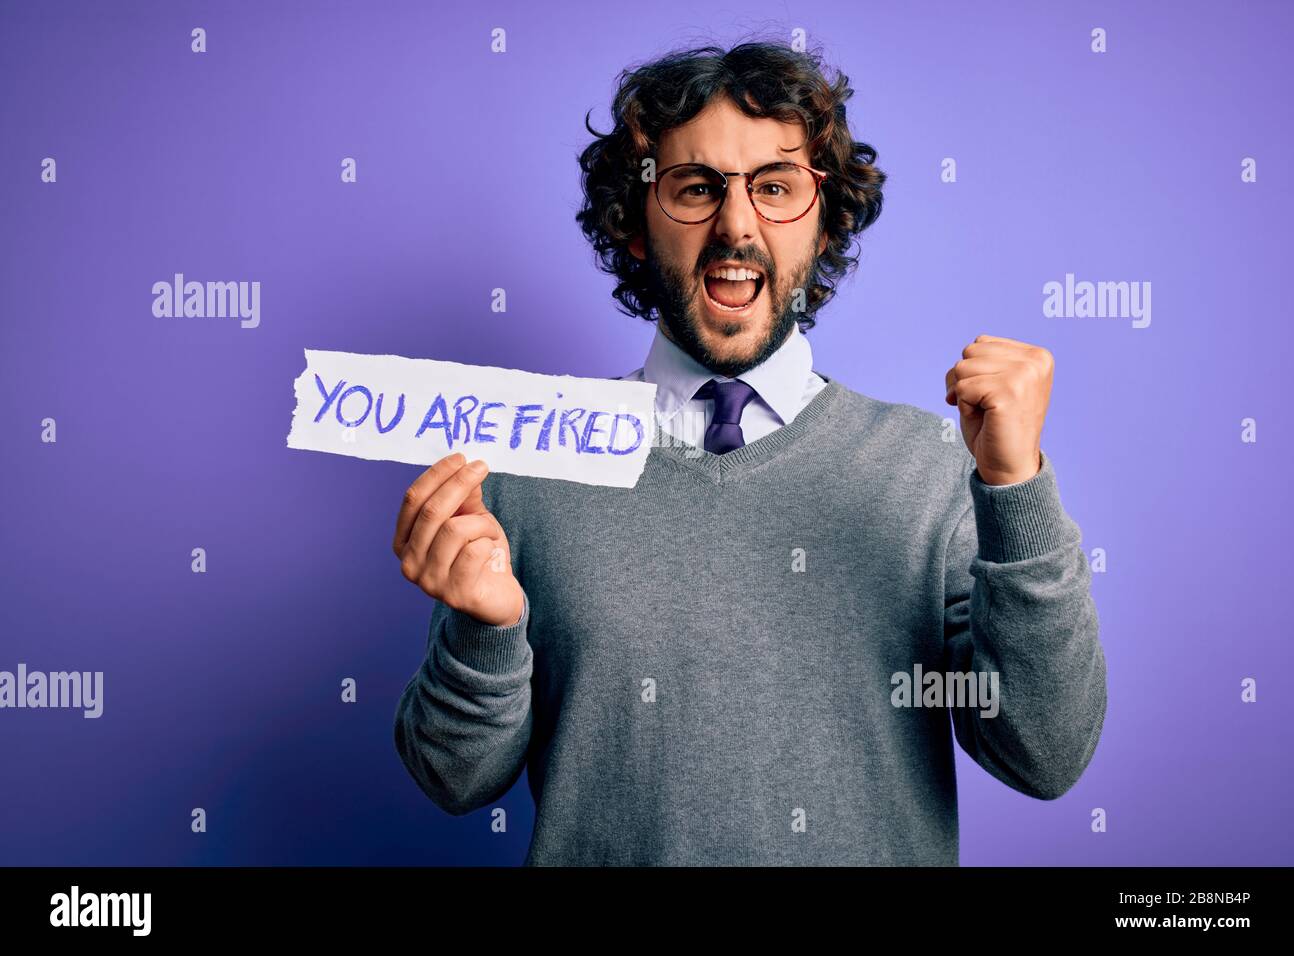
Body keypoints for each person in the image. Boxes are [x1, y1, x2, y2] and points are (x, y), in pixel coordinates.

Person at [392, 40, 1106, 865]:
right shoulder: (532, 470)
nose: (737, 225)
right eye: (696, 188)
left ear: (825, 223)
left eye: (775, 187)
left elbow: (1046, 755)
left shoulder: (936, 470)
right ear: (633, 224)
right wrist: (485, 630)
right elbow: (453, 779)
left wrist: (1016, 492)